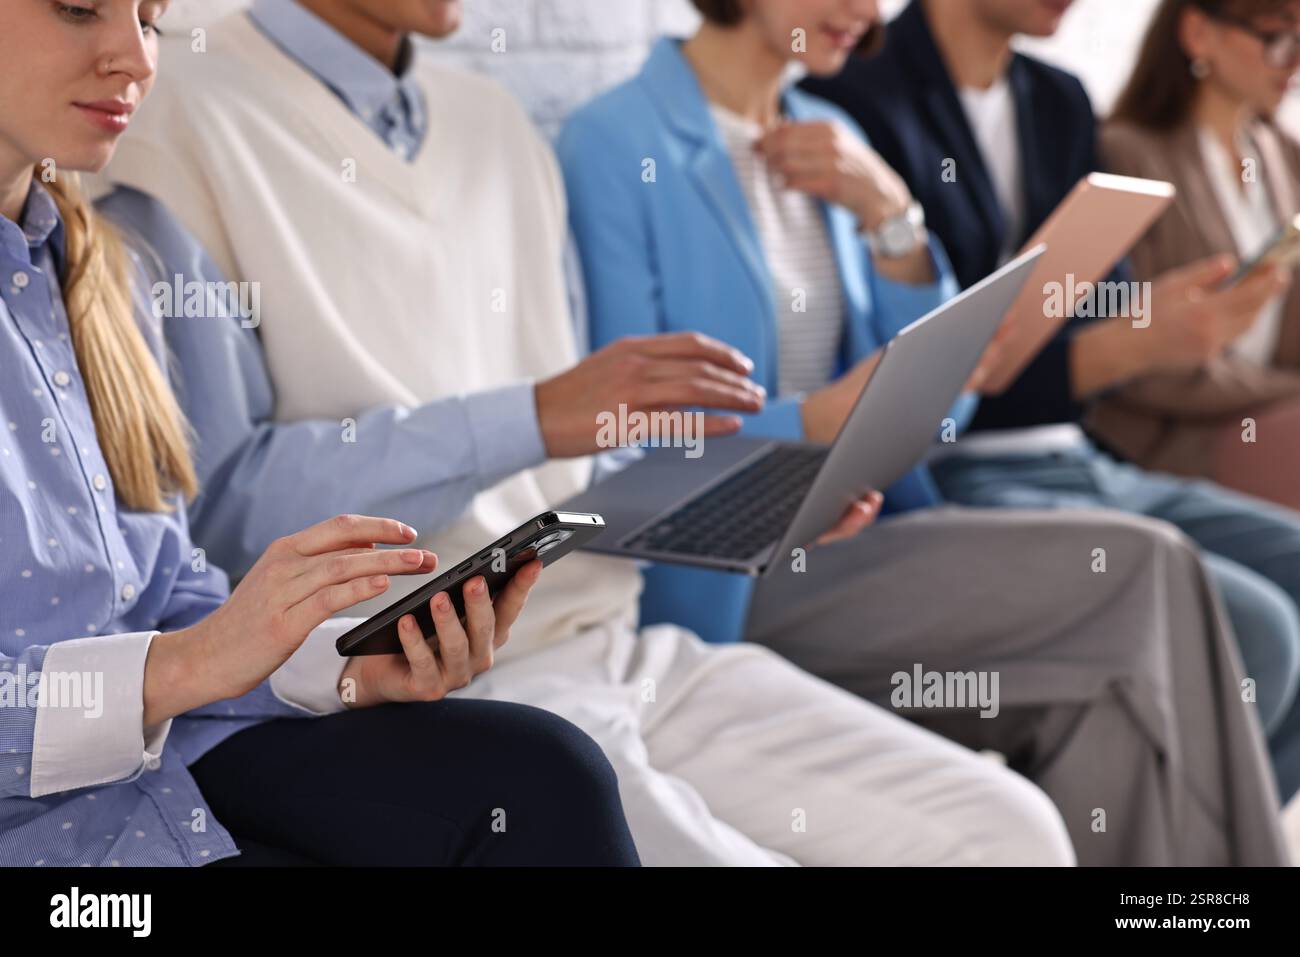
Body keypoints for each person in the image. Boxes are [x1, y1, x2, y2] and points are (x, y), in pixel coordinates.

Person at [99, 0, 1089, 866]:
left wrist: (751, 501)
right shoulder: (172, 123)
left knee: (1010, 831)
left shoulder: (496, 127)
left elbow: (579, 465)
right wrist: (526, 417)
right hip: (440, 684)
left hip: (612, 639)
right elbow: (221, 510)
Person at [558, 0, 1291, 865]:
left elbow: (949, 410)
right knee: (1146, 568)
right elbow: (622, 447)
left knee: (1107, 697)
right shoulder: (614, 144)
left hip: (870, 522)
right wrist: (820, 420)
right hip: (739, 564)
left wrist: (892, 219)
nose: (868, 11)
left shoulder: (829, 134)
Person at [0, 0, 643, 868]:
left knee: (545, 773)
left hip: (165, 766)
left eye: (151, 18)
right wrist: (184, 667)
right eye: (80, 7)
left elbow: (161, 589)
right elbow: (182, 651)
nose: (137, 58)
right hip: (49, 833)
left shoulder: (91, 272)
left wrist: (344, 670)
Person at [804, 0, 1300, 807]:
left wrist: (1147, 326)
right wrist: (1131, 345)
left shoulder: (1058, 98)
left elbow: (1097, 312)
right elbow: (905, 384)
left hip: (1079, 454)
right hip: (955, 471)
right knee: (1262, 633)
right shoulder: (860, 100)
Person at [1097, 0, 1300, 511]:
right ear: (1197, 33)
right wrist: (1285, 389)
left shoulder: (1285, 157)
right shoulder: (1127, 156)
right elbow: (1143, 368)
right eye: (1276, 37)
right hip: (1173, 435)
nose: (1293, 60)